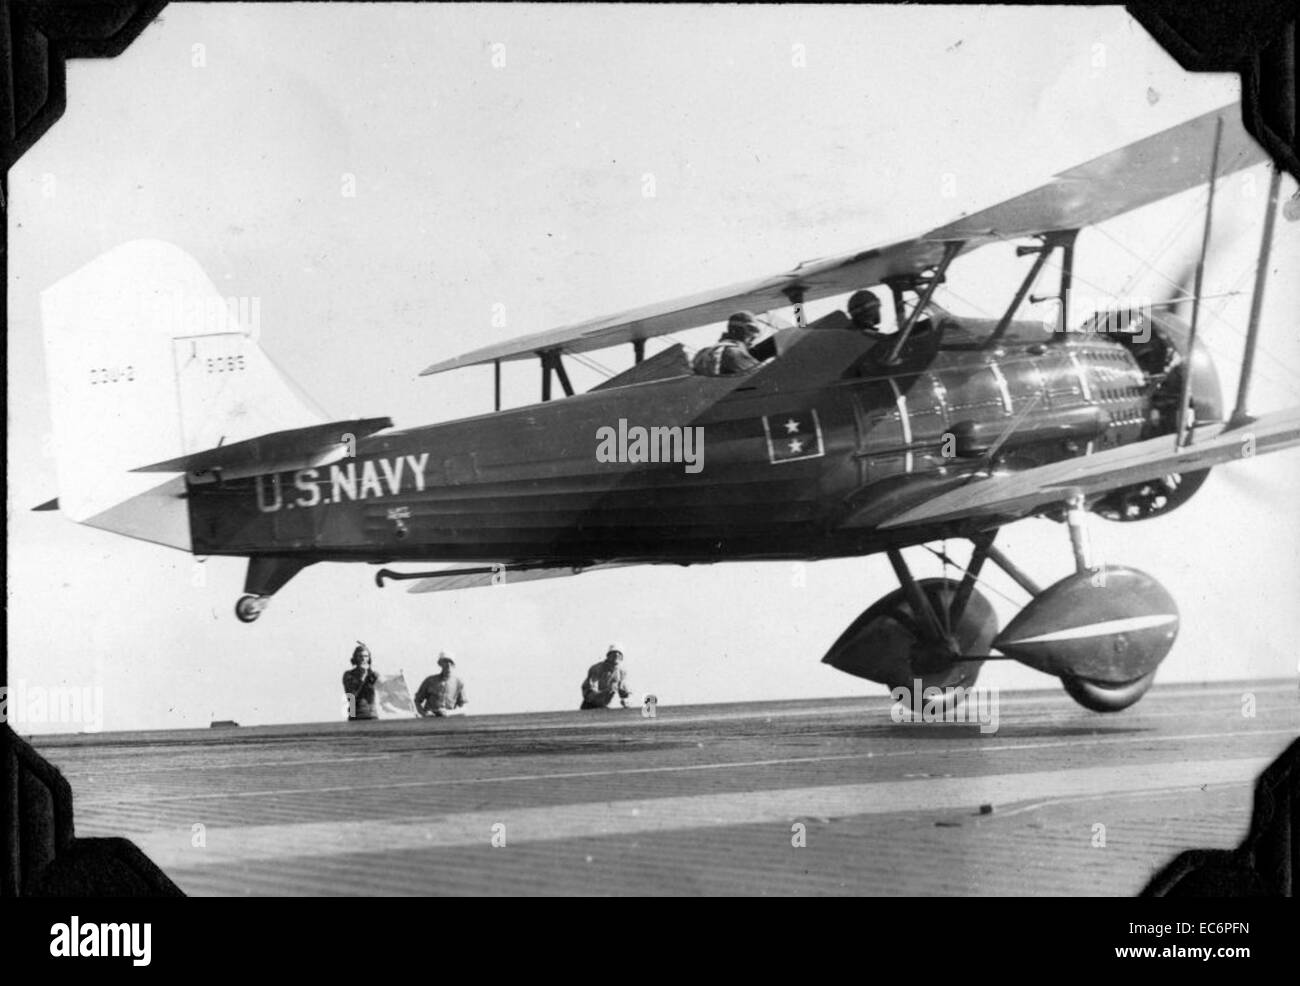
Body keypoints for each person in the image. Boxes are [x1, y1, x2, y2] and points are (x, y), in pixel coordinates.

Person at [692, 311, 765, 376]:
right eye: (751, 332)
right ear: (738, 331)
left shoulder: (703, 352)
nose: (752, 339)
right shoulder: (734, 352)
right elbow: (762, 375)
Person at [415, 651, 468, 717]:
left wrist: (449, 713)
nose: (448, 665)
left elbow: (464, 709)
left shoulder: (459, 683)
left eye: (451, 662)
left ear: (454, 664)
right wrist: (424, 713)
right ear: (440, 664)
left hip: (449, 722)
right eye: (445, 661)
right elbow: (417, 701)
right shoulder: (430, 681)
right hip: (430, 721)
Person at [581, 644, 632, 710]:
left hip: (605, 705)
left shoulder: (622, 671)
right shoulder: (597, 668)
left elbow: (624, 691)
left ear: (622, 657)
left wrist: (627, 699)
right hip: (590, 704)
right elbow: (591, 690)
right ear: (608, 656)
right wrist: (606, 691)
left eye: (619, 653)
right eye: (613, 653)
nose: (616, 655)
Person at [342, 642, 379, 721]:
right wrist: (362, 677)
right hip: (355, 715)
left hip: (371, 715)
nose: (363, 659)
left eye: (366, 656)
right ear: (355, 658)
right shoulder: (348, 675)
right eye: (360, 656)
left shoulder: (373, 675)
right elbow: (351, 697)